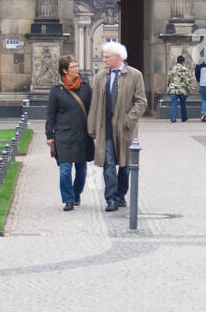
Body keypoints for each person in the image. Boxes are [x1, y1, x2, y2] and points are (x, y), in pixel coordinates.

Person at [87, 41, 147, 212]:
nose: (103, 60)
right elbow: (95, 104)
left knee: (125, 165)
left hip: (125, 129)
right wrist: (92, 127)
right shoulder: (100, 77)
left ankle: (121, 194)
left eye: (107, 57)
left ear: (118, 57)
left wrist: (129, 119)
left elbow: (141, 102)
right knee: (108, 163)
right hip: (105, 127)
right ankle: (111, 199)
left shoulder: (135, 75)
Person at [46, 55, 92, 211]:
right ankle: (68, 199)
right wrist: (50, 136)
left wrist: (94, 129)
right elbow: (51, 115)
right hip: (63, 135)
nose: (77, 69)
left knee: (81, 170)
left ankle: (76, 193)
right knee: (65, 170)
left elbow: (92, 110)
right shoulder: (56, 90)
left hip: (82, 134)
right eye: (74, 67)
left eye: (77, 66)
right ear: (65, 70)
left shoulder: (85, 87)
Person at [166, 54, 194, 123]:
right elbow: (188, 80)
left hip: (173, 89)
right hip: (182, 89)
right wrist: (188, 87)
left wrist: (168, 85)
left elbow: (168, 78)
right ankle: (184, 118)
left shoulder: (172, 68)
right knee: (183, 104)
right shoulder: (185, 69)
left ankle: (173, 118)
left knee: (173, 104)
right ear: (183, 62)